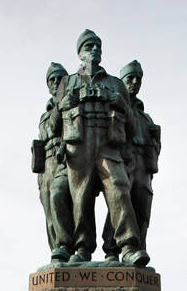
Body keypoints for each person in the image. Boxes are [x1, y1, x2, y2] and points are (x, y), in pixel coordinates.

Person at [56, 29, 149, 267]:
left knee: (119, 188)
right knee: (81, 197)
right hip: (79, 143)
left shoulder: (115, 83)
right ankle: (82, 248)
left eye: (97, 46)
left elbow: (130, 122)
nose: (95, 50)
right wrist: (65, 104)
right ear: (80, 53)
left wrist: (119, 103)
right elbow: (55, 120)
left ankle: (128, 246)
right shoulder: (67, 83)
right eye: (89, 46)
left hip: (108, 143)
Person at [102, 59, 160, 261]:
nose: (135, 82)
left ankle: (138, 249)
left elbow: (155, 145)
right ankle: (112, 249)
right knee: (120, 203)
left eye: (138, 79)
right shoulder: (115, 107)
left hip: (144, 165)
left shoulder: (146, 118)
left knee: (142, 208)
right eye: (130, 78)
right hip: (123, 160)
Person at [34, 62, 73, 263]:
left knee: (60, 196)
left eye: (59, 78)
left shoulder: (70, 105)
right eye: (52, 79)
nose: (56, 82)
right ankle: (58, 250)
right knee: (49, 214)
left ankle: (67, 245)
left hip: (65, 161)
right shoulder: (44, 115)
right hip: (45, 167)